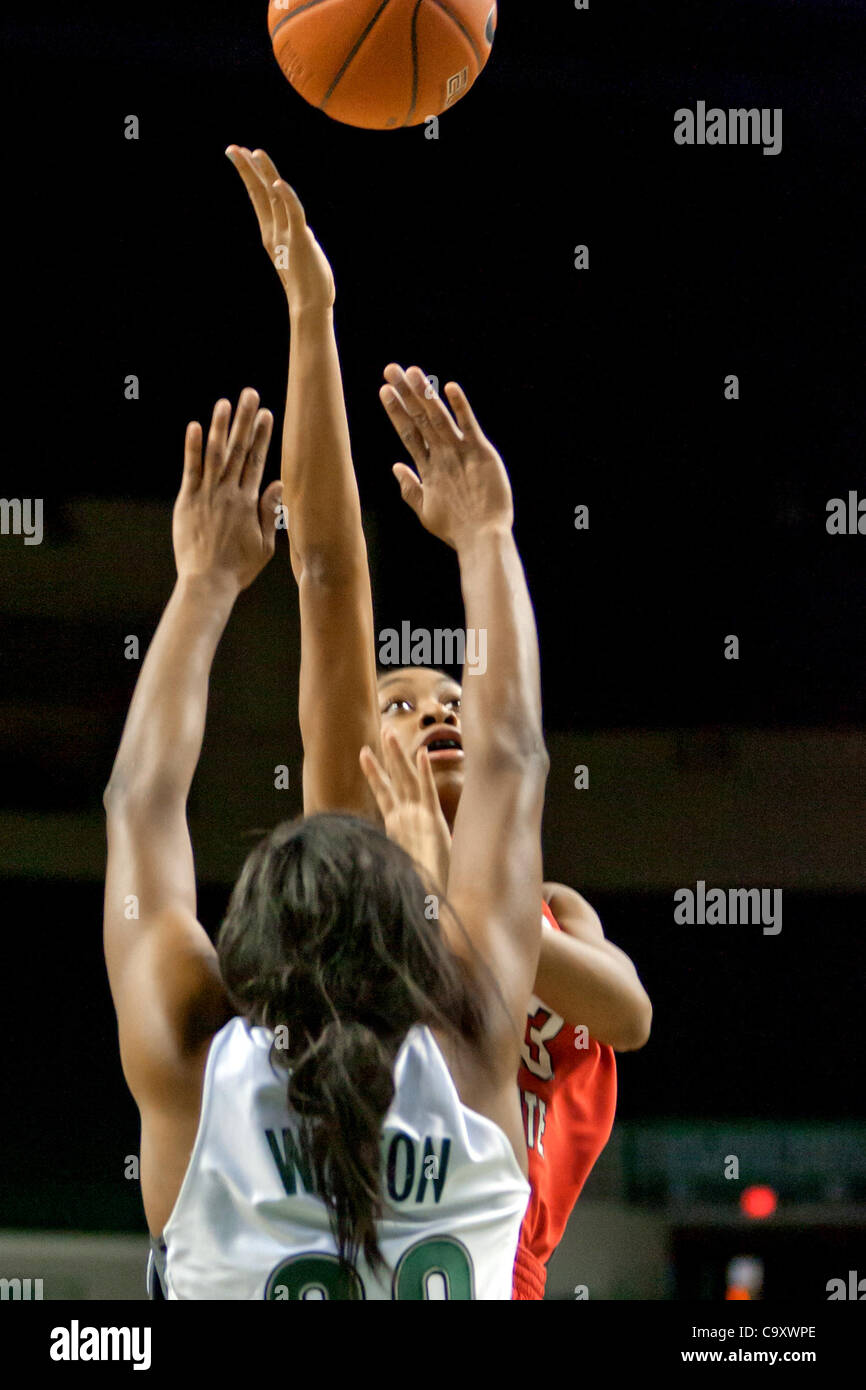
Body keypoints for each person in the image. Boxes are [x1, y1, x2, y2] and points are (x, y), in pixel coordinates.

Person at [226, 147, 652, 1299]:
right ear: (363, 749)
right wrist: (310, 316)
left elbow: (627, 1013)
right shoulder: (352, 861)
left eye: (454, 695)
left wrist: (461, 884)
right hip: (349, 1241)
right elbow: (323, 574)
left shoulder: (541, 908)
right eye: (403, 702)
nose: (440, 711)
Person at [103, 386, 550, 1298]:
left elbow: (137, 803)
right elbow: (512, 758)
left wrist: (201, 585)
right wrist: (489, 539)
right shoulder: (468, 1050)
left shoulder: (194, 1067)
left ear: (247, 950)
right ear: (412, 935)